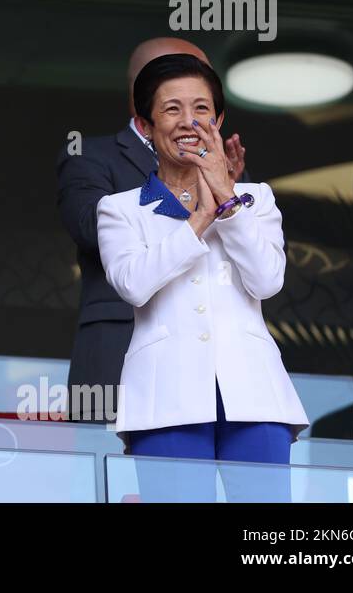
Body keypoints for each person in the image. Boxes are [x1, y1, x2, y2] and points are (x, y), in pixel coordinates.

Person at [97, 54, 308, 500]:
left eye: (201, 109)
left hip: (255, 395)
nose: (188, 121)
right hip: (164, 400)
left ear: (218, 119)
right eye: (172, 109)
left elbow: (267, 280)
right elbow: (133, 283)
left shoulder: (255, 198)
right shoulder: (119, 209)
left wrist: (227, 202)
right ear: (146, 125)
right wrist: (201, 217)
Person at [56, 37, 246, 422]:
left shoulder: (221, 167)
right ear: (138, 99)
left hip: (220, 360)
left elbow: (262, 264)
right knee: (119, 477)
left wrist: (226, 194)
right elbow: (90, 227)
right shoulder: (92, 155)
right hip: (120, 350)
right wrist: (188, 194)